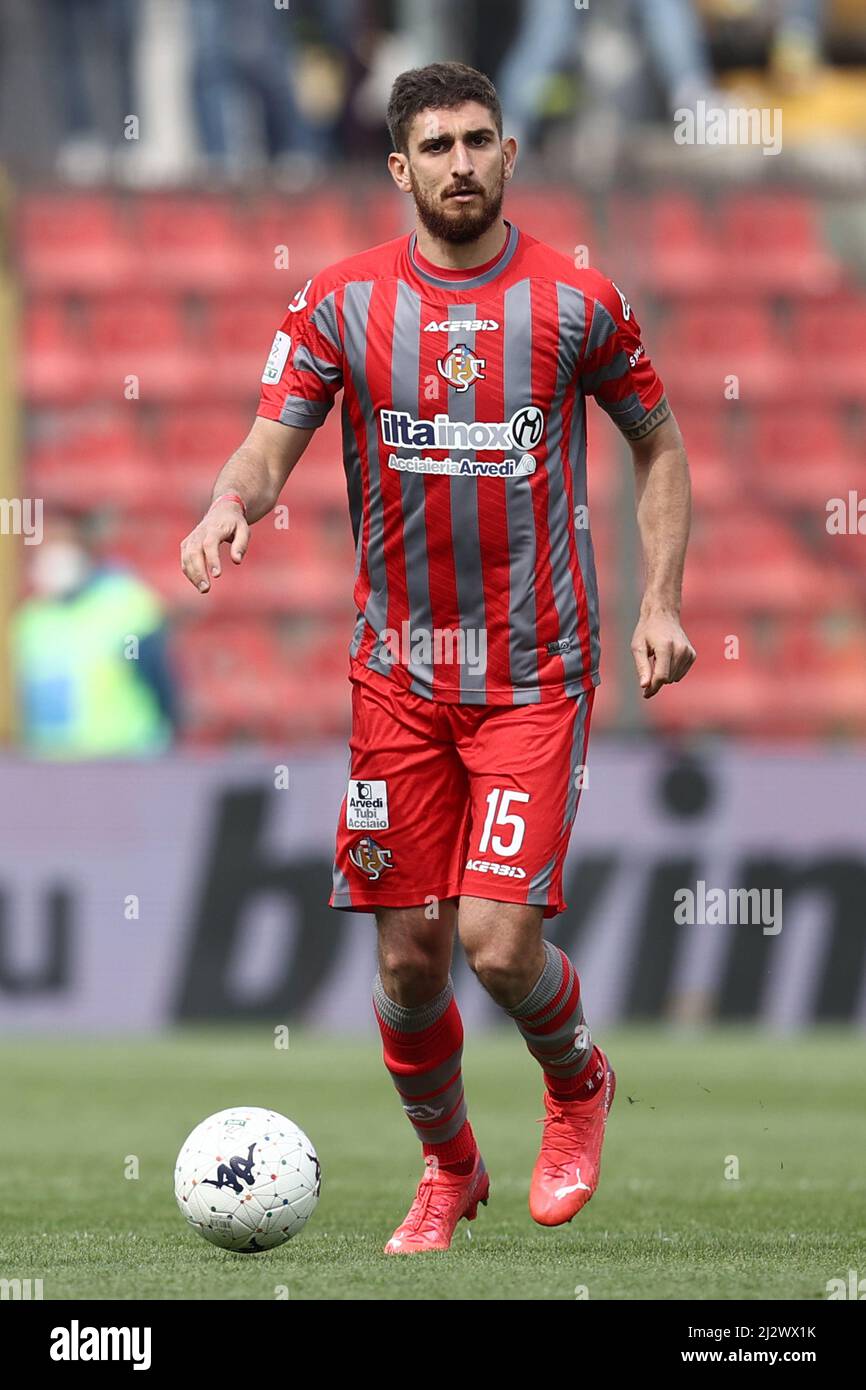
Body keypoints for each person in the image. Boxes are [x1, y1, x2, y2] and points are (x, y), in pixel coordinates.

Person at [180, 61, 696, 1253]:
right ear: (398, 166)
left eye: (479, 139)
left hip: (530, 674)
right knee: (411, 960)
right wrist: (227, 506)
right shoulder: (342, 303)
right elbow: (268, 445)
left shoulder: (576, 301)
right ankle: (446, 1167)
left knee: (493, 938)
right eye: (436, 145)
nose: (460, 162)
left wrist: (659, 601)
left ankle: (576, 1085)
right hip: (397, 679)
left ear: (510, 154)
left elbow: (657, 447)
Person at [13, 510, 178, 758]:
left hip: (127, 759)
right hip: (55, 766)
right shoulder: (31, 621)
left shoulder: (126, 604)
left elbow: (159, 678)